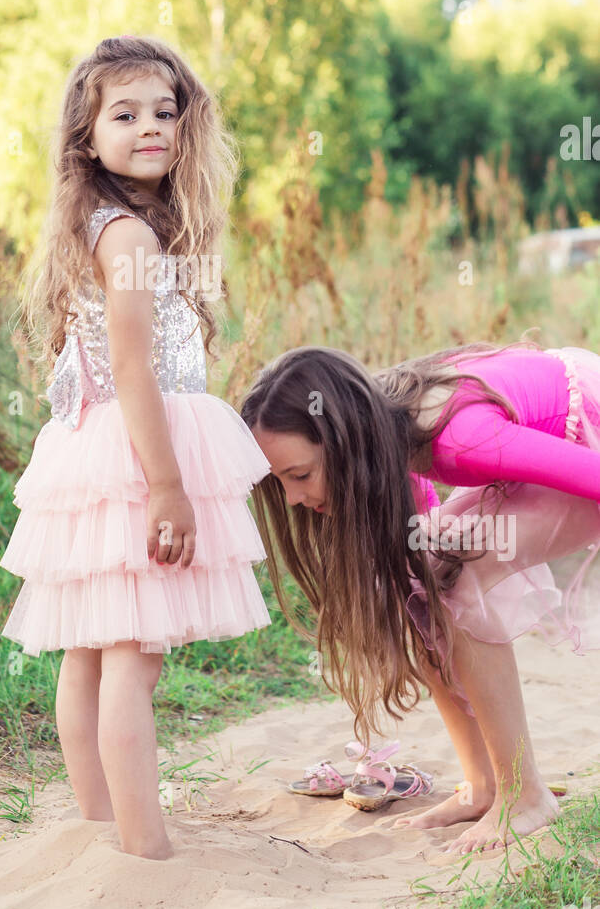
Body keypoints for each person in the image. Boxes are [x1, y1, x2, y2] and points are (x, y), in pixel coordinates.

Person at [0, 34, 271, 860]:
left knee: (89, 648)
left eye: (166, 110)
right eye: (126, 114)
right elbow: (131, 369)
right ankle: (144, 851)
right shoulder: (132, 241)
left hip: (90, 443)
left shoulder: (103, 223)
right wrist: (167, 488)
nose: (151, 126)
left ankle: (96, 828)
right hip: (134, 451)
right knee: (133, 657)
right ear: (88, 137)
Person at [240, 338, 600, 855]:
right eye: (282, 481)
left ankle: (524, 797)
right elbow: (421, 533)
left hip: (588, 437)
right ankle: (482, 787)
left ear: (344, 441)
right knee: (426, 584)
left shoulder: (462, 441)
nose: (293, 497)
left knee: (462, 578)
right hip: (549, 440)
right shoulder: (387, 429)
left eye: (300, 475)